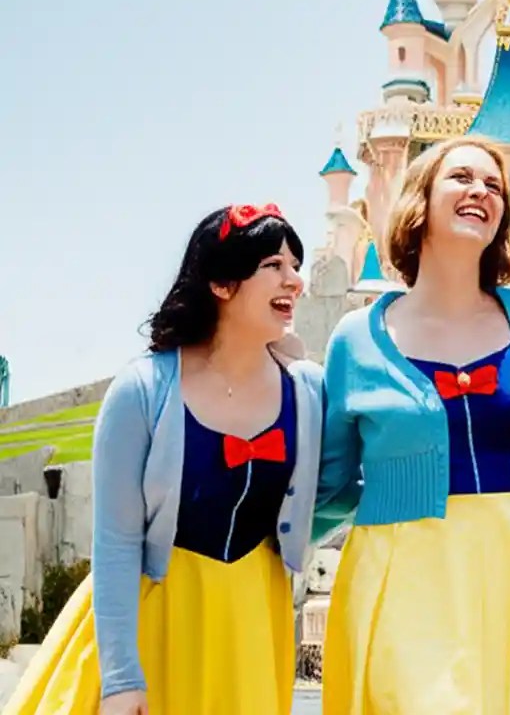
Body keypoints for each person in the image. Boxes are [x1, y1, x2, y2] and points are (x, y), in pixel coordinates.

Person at [313, 135, 510, 714]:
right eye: (462, 178)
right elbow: (329, 483)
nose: (481, 191)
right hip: (407, 577)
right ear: (419, 200)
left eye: (494, 185)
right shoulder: (356, 340)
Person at [4, 204, 323, 715]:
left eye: (296, 266)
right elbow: (116, 541)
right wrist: (121, 678)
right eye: (274, 266)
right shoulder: (143, 390)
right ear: (221, 283)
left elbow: (331, 491)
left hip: (251, 627)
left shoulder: (307, 390)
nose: (295, 280)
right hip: (153, 620)